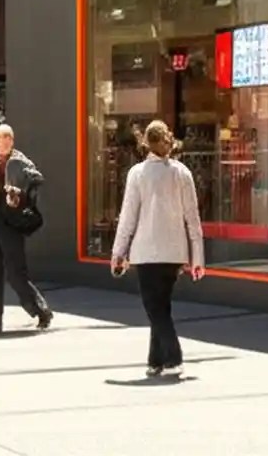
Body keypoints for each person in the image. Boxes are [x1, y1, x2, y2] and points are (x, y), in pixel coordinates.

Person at [110, 121, 205, 377]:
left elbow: (128, 216)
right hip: (174, 252)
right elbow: (192, 218)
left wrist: (118, 252)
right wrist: (197, 257)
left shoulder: (137, 174)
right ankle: (155, 360)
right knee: (160, 305)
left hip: (146, 251)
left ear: (145, 144)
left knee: (155, 308)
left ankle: (173, 358)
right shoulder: (182, 172)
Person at [0, 124, 53, 333]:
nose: (2, 142)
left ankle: (41, 311)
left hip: (11, 221)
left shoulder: (18, 161)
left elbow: (36, 180)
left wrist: (19, 193)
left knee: (15, 272)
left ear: (12, 140)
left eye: (6, 137)